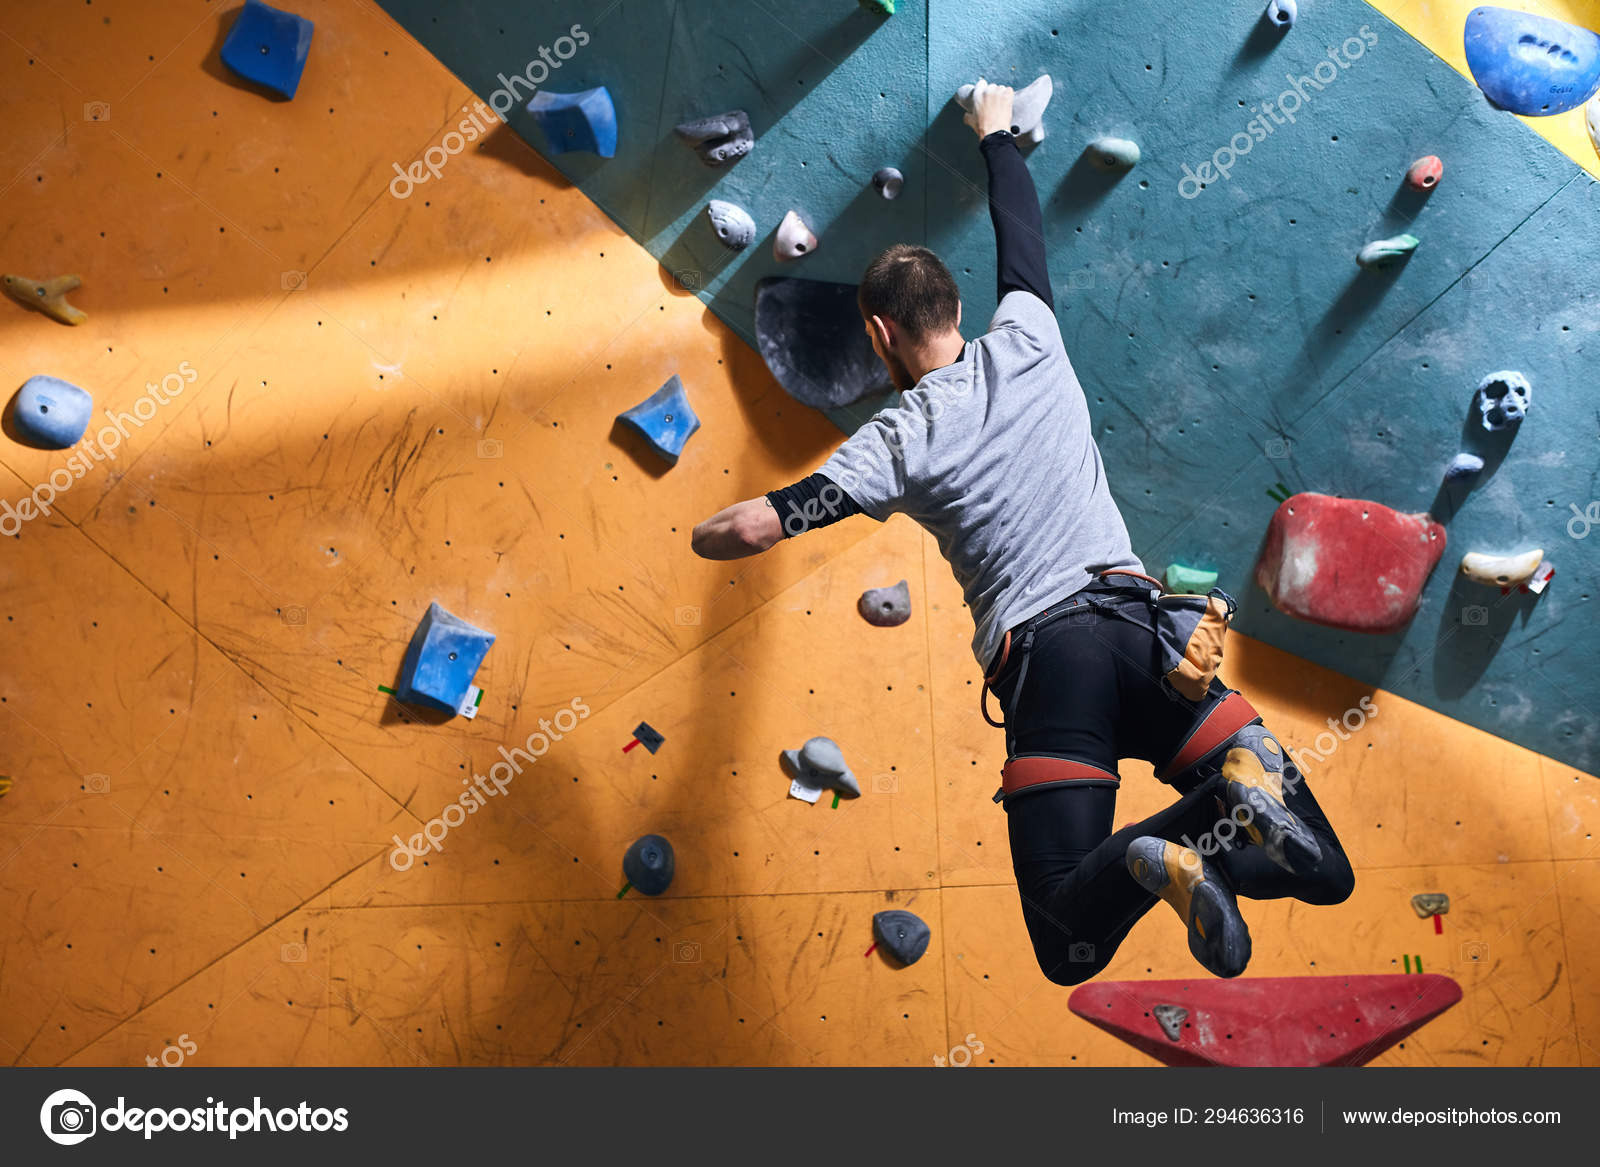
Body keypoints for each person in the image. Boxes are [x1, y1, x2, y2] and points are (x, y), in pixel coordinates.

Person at [691, 81, 1353, 983]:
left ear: (881, 334)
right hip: (1149, 634)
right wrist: (996, 132)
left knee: (1065, 939)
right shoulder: (1030, 335)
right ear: (960, 312)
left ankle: (1151, 853)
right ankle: (1215, 809)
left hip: (1055, 675)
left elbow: (757, 527)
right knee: (1326, 869)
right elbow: (1021, 234)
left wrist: (705, 531)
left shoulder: (892, 442)